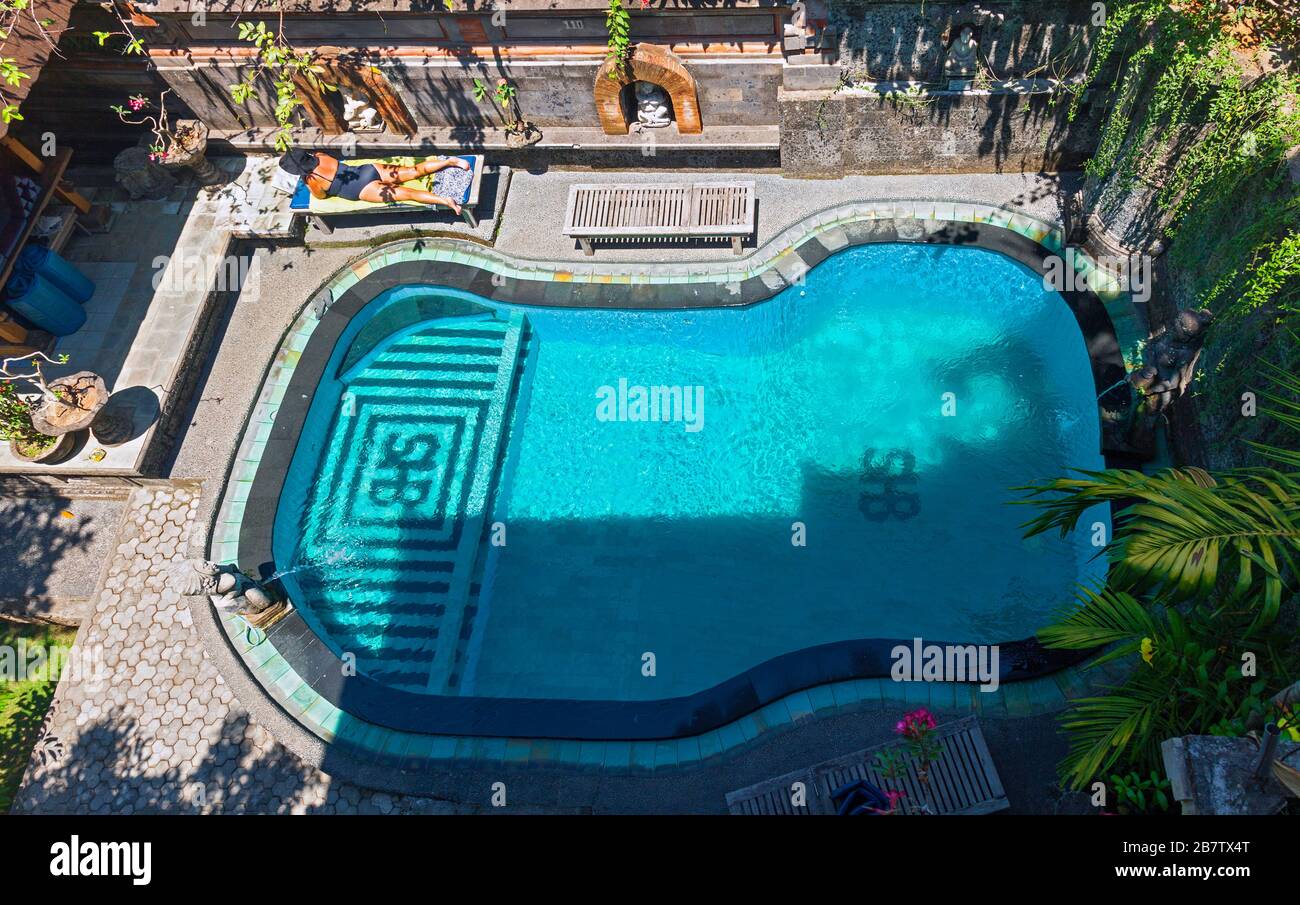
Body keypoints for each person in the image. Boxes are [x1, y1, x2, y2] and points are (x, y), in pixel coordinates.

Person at [278, 149, 470, 214]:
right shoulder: (321, 155)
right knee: (412, 172)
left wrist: (307, 180)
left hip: (362, 189)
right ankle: (450, 161)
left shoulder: (313, 181)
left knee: (408, 194)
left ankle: (445, 201)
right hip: (368, 170)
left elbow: (321, 196)